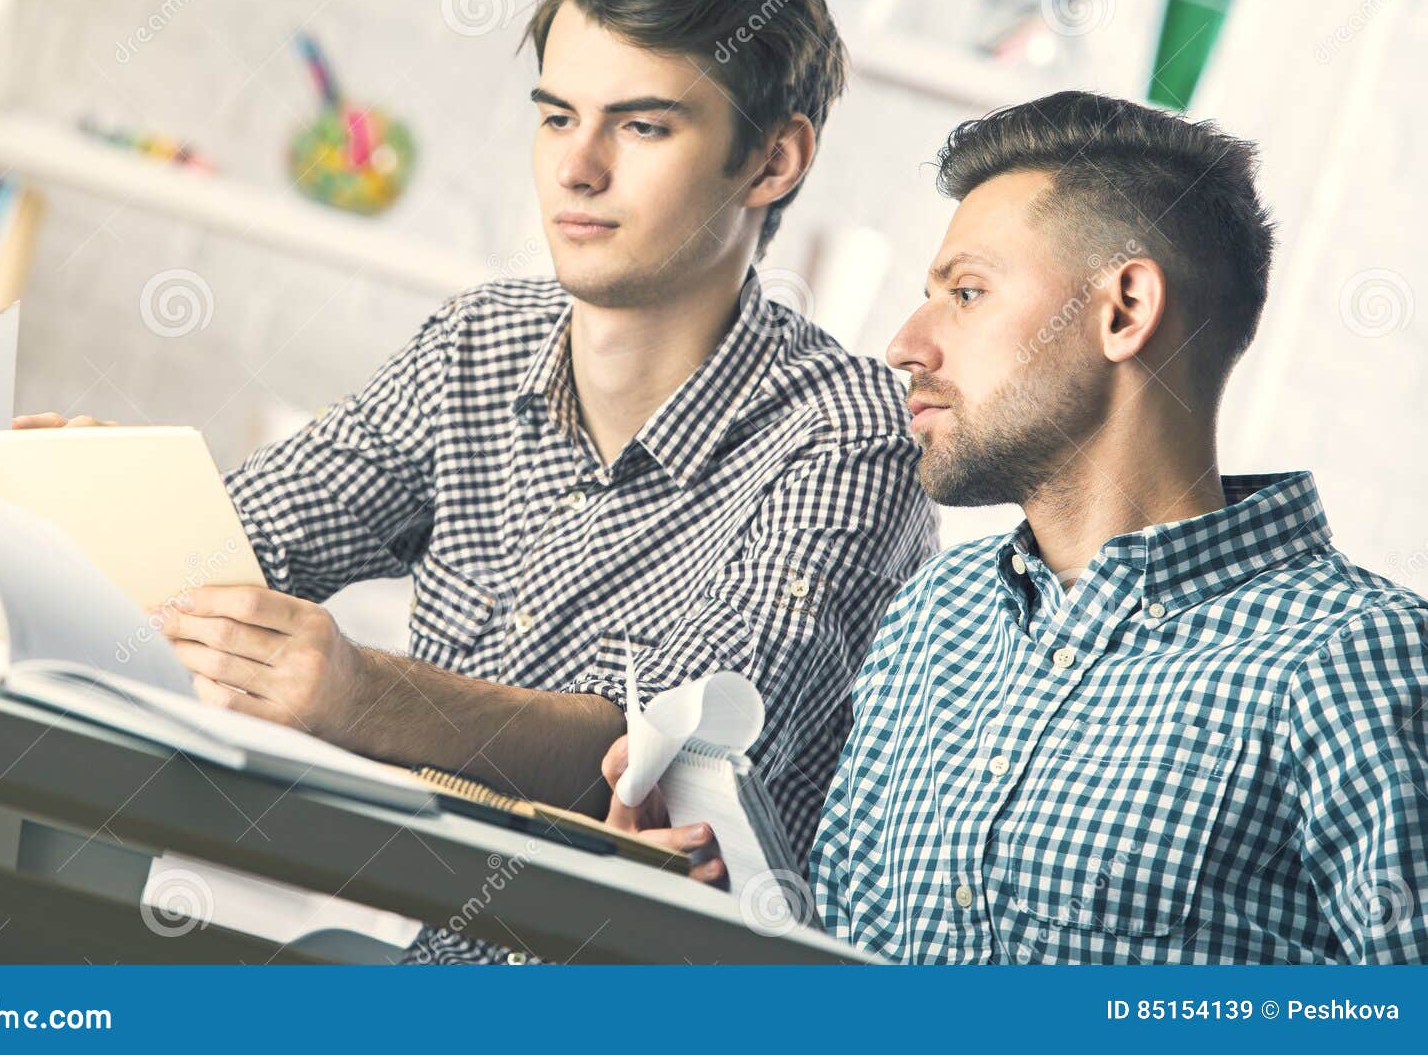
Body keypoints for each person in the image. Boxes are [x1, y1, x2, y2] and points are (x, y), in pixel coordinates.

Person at [17, 0, 936, 962]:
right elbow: (236, 545)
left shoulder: (849, 432)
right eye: (555, 117)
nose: (576, 169)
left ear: (773, 160)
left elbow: (666, 760)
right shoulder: (479, 343)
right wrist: (87, 513)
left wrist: (362, 694)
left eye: (641, 126)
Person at [609, 90, 1428, 963]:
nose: (906, 344)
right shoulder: (936, 617)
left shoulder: (1360, 657)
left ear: (1123, 310)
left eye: (966, 293)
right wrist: (714, 913)